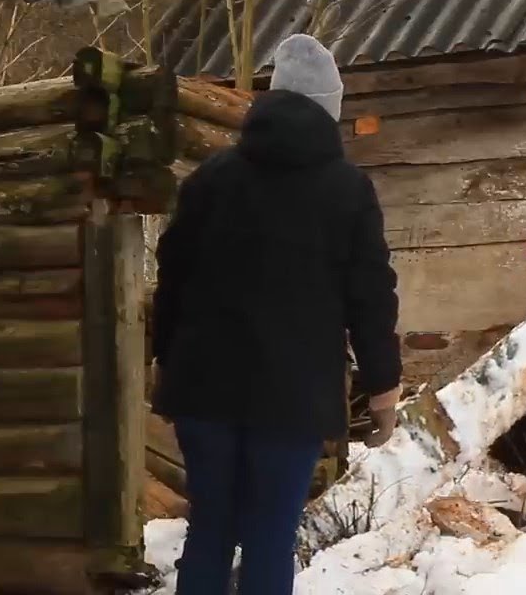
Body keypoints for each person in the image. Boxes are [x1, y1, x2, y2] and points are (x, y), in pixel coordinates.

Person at [149, 33, 403, 595]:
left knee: (210, 526)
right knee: (269, 535)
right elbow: (370, 292)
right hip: (292, 397)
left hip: (204, 389)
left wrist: (166, 362)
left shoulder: (210, 181)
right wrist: (383, 386)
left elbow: (172, 278)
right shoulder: (347, 190)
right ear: (330, 111)